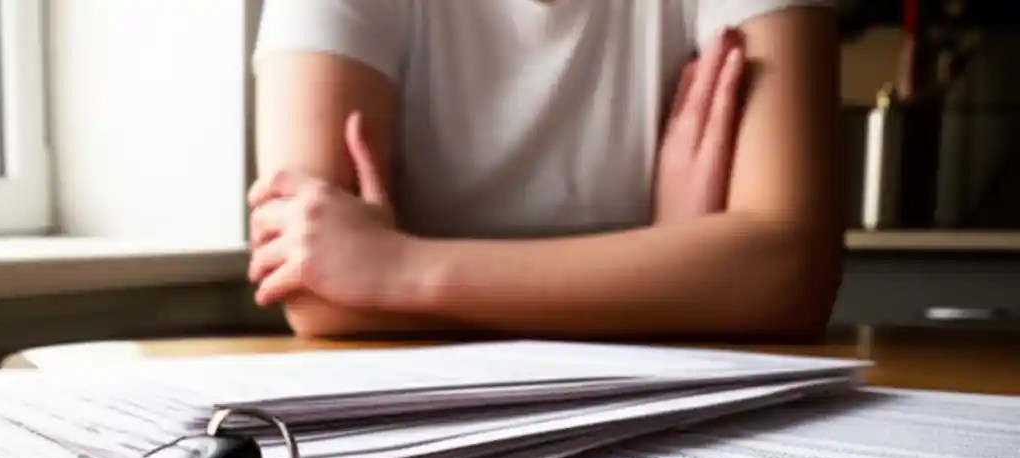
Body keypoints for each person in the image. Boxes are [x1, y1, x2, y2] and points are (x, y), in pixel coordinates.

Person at [247, 0, 842, 339]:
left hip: (650, 417)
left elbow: (790, 269)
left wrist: (400, 269)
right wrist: (673, 268)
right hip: (418, 419)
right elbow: (315, 288)